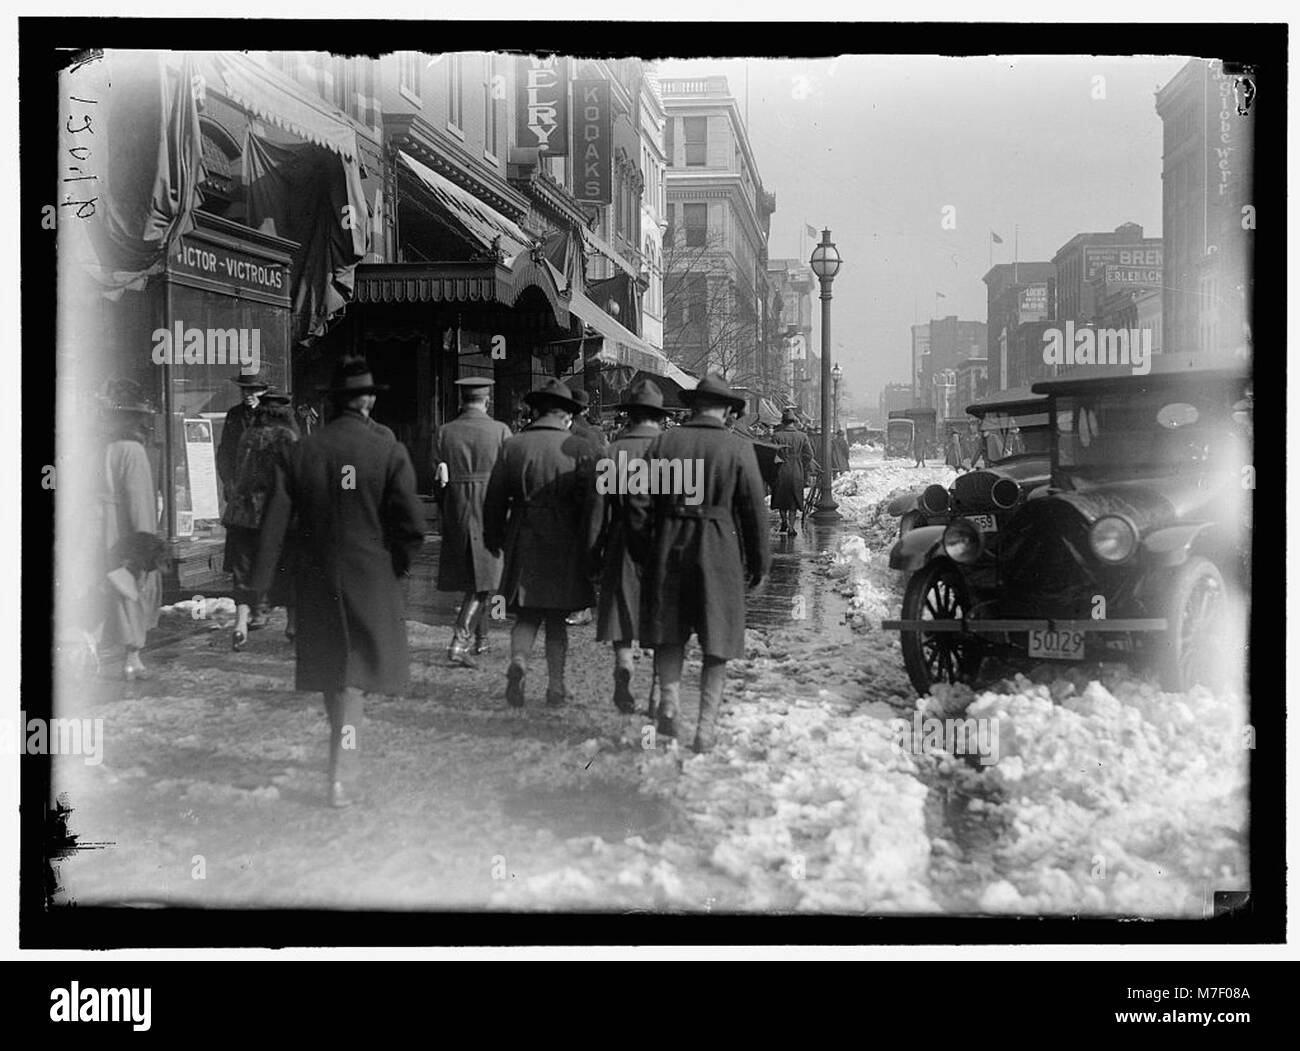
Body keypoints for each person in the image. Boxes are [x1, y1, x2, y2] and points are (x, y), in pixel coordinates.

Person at [253, 358, 425, 809]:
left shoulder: (301, 451)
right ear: (368, 400)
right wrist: (396, 566)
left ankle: (340, 758)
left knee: (337, 673)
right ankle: (340, 776)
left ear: (334, 402)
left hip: (317, 578)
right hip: (370, 576)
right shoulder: (390, 450)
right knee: (351, 678)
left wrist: (260, 587)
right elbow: (411, 525)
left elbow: (274, 524)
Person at [628, 373, 771, 753]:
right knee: (717, 641)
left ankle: (670, 705)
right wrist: (759, 564)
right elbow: (755, 512)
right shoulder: (737, 449)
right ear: (727, 410)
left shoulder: (663, 443)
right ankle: (705, 729)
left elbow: (638, 505)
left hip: (669, 546)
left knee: (669, 633)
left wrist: (646, 550)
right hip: (718, 550)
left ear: (693, 406)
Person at [483, 377, 597, 708]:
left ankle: (518, 662)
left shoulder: (513, 446)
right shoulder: (581, 448)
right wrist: (592, 546)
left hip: (524, 535)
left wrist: (495, 539)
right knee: (557, 621)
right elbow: (592, 503)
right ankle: (556, 687)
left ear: (537, 411)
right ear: (566, 415)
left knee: (527, 615)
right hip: (566, 542)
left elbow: (494, 501)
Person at [589, 378, 669, 713]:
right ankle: (655, 692)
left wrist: (593, 554)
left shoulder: (612, 453)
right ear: (658, 416)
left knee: (622, 611)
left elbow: (598, 511)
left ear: (630, 416)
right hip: (664, 544)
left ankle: (624, 664)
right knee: (662, 615)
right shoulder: (673, 450)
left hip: (621, 542)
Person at [433, 376, 513, 668]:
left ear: (461, 400)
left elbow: (438, 480)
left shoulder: (444, 432)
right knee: (485, 578)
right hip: (489, 508)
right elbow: (510, 476)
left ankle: (482, 639)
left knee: (475, 576)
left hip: (457, 509)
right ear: (487, 399)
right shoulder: (501, 431)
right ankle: (460, 640)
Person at [91, 382, 163, 681]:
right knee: (132, 587)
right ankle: (132, 657)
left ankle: (88, 650)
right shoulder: (133, 450)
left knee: (102, 586)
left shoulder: (102, 447)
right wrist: (146, 543)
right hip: (124, 532)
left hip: (100, 529)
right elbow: (139, 502)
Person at [223, 388, 300, 650]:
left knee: (243, 570)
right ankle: (292, 625)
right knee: (287, 567)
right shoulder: (287, 437)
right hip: (276, 516)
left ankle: (240, 624)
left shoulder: (248, 435)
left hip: (243, 514)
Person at [565, 381, 604, 626]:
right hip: (587, 496)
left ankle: (577, 606)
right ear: (586, 409)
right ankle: (581, 606)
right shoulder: (595, 434)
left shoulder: (570, 432)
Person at [216, 369, 270, 500]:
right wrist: (228, 481)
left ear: (263, 391)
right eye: (244, 390)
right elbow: (225, 451)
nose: (247, 394)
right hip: (239, 486)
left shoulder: (272, 415)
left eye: (253, 390)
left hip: (265, 488)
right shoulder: (234, 414)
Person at [770, 408, 815, 534]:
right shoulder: (802, 436)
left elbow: (771, 453)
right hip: (797, 470)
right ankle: (791, 526)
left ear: (783, 422)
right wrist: (801, 462)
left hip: (781, 470)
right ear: (794, 422)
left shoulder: (776, 436)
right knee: (794, 499)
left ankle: (784, 521)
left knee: (782, 498)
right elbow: (809, 454)